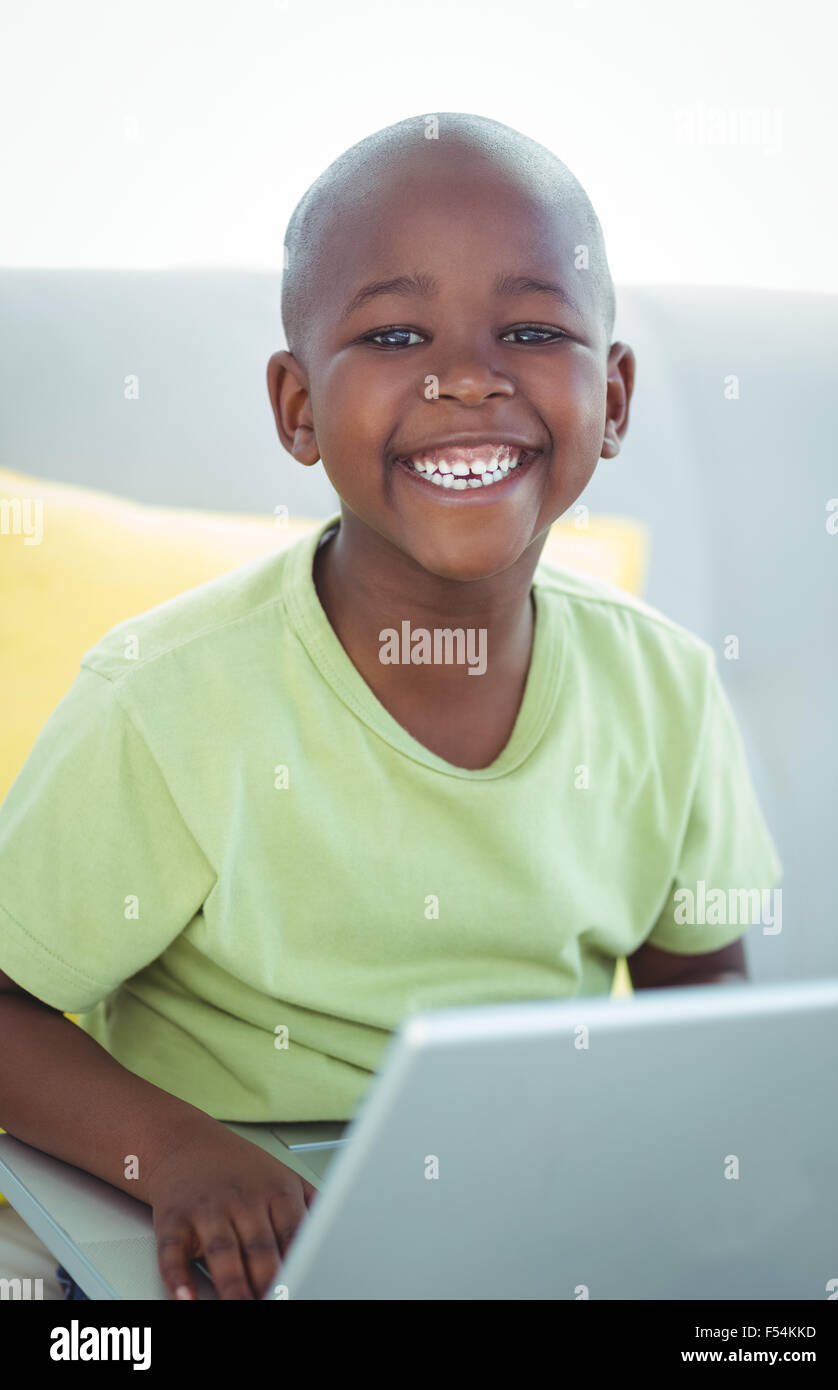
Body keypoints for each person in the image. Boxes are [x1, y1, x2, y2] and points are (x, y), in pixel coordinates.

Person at [0, 112, 781, 1301]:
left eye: (529, 329)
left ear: (611, 397)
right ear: (297, 407)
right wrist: (173, 1157)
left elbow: (703, 1003)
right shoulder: (166, 695)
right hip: (218, 1236)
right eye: (395, 332)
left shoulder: (665, 685)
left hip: (509, 1234)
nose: (465, 374)